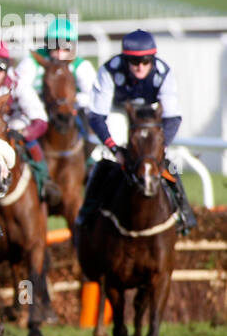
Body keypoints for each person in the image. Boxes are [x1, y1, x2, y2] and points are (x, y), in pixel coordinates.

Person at [77, 28, 196, 232]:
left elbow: (173, 117)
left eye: (146, 61)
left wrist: (162, 145)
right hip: (118, 111)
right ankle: (86, 213)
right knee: (105, 161)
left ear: (153, 59)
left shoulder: (163, 73)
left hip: (149, 113)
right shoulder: (109, 71)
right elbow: (97, 116)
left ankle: (184, 211)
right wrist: (115, 149)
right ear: (125, 60)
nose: (140, 67)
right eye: (134, 62)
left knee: (164, 161)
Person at [0, 38, 59, 204]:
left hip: (12, 126)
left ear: (7, 66)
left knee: (24, 131)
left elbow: (40, 118)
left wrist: (24, 133)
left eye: (0, 68)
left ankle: (44, 180)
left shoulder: (18, 82)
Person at [15, 16, 96, 131]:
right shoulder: (32, 61)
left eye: (65, 48)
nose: (60, 53)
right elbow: (19, 87)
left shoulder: (81, 66)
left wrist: (73, 100)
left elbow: (94, 95)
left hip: (71, 111)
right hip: (35, 111)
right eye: (55, 47)